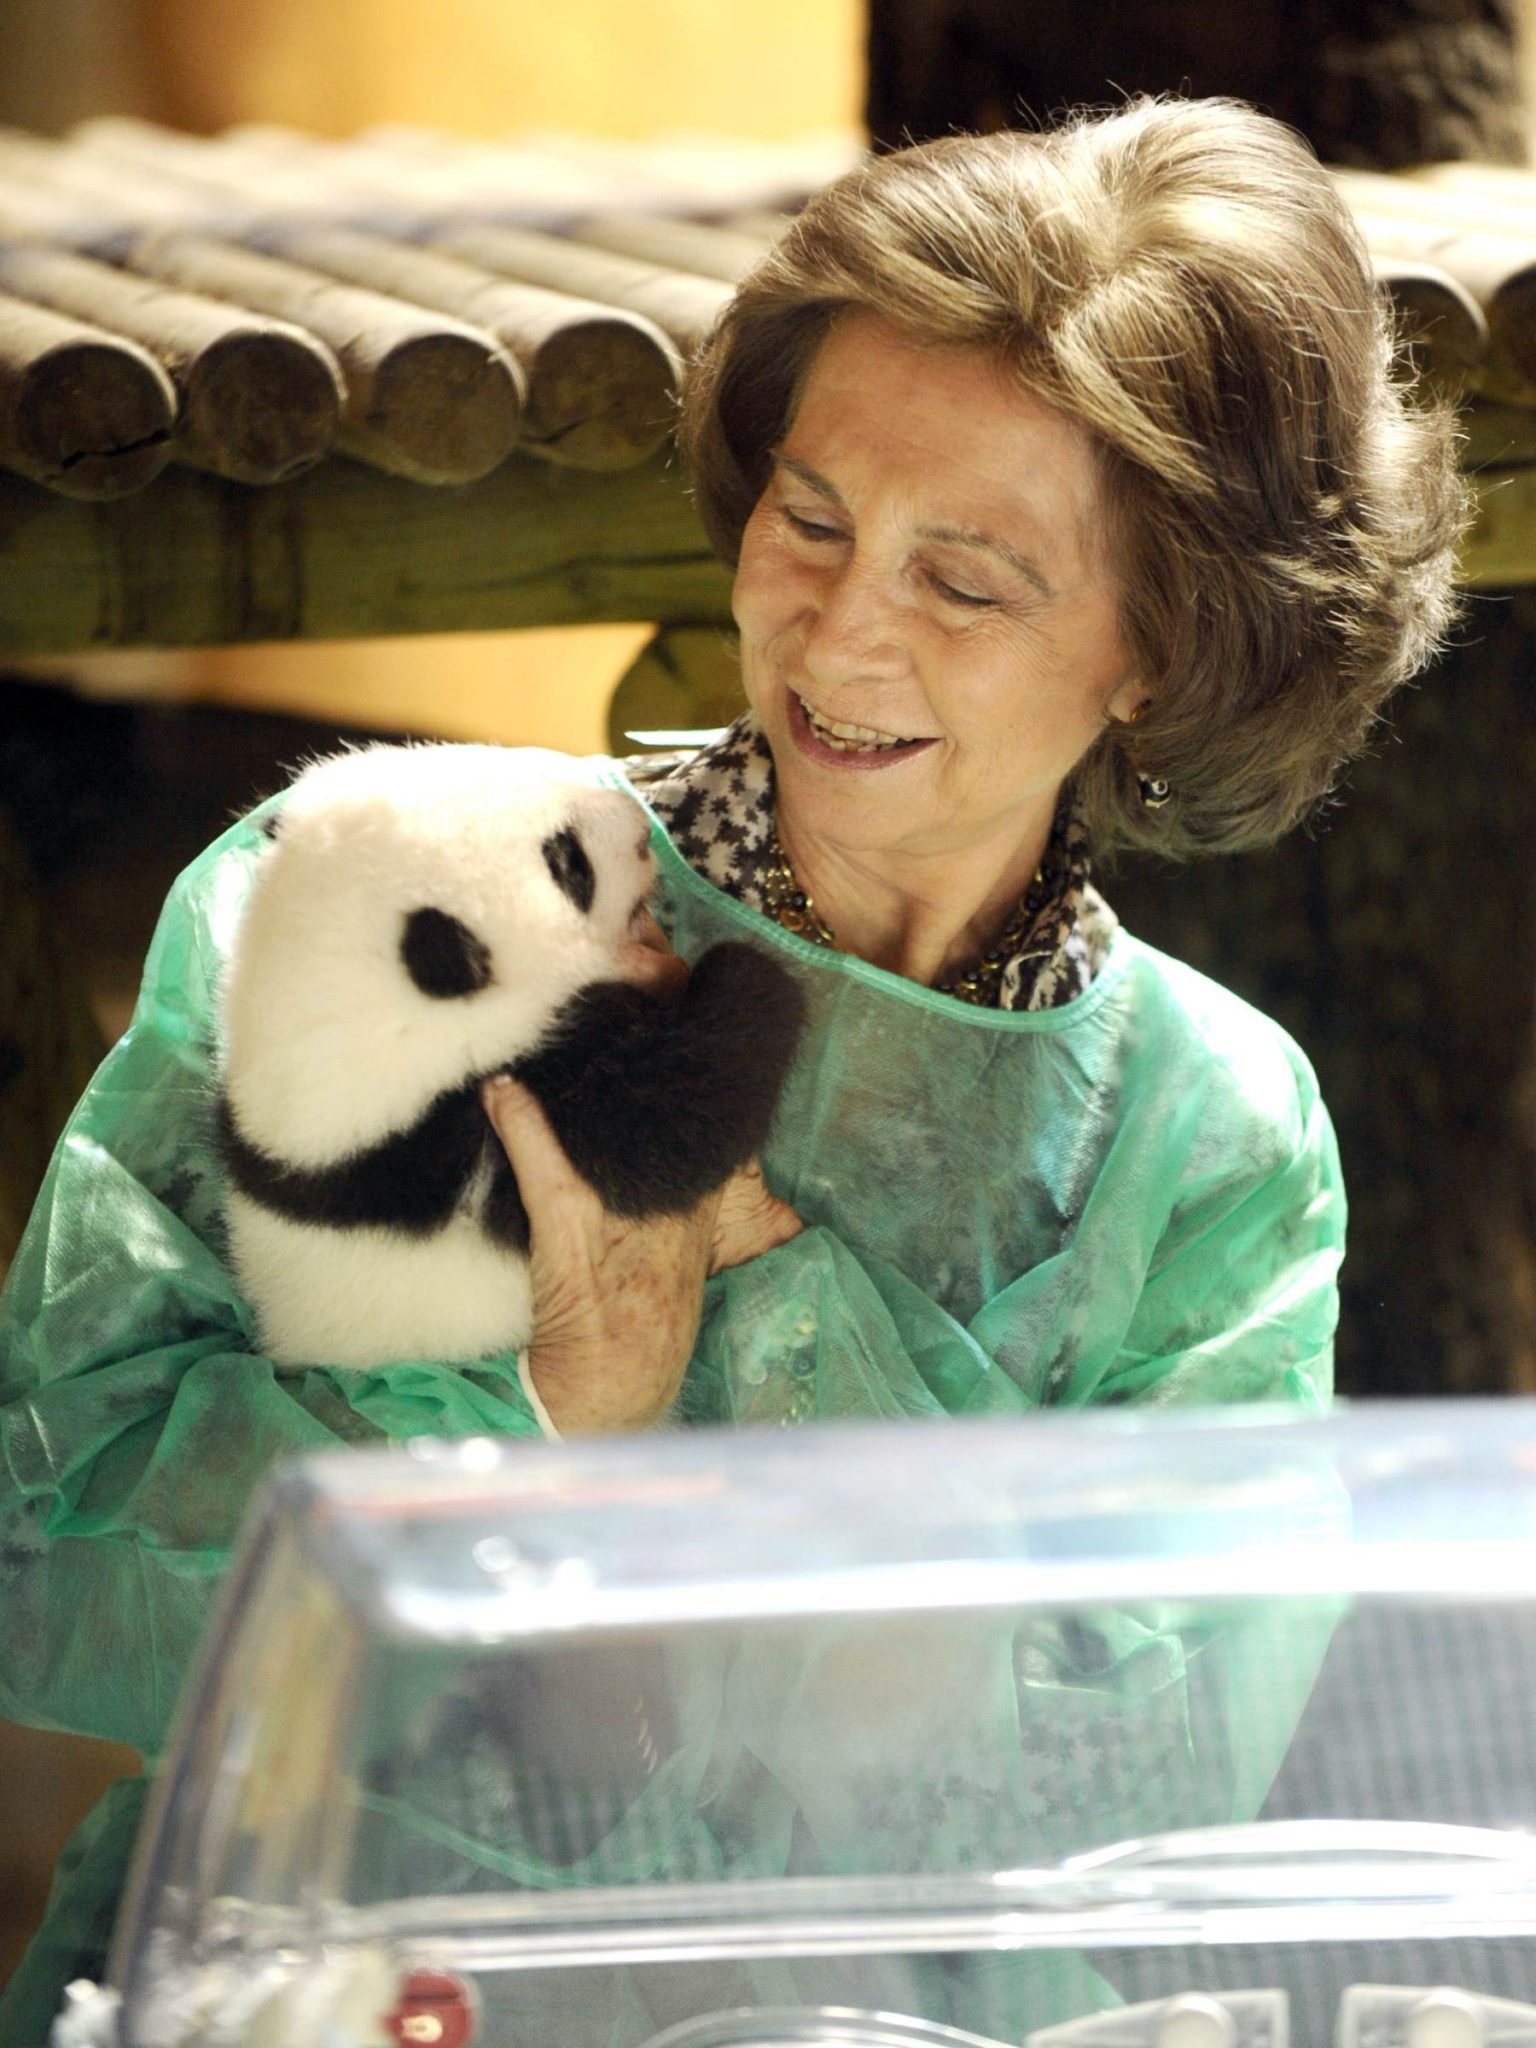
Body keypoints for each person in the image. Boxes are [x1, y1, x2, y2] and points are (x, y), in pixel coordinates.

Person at [0, 96, 1463, 2043]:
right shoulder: (376, 889)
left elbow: (1148, 1783)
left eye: (969, 578)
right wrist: (540, 1430)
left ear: (1167, 648)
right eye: (814, 516)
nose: (841, 633)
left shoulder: (1215, 1133)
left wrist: (772, 1320)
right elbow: (52, 1551)